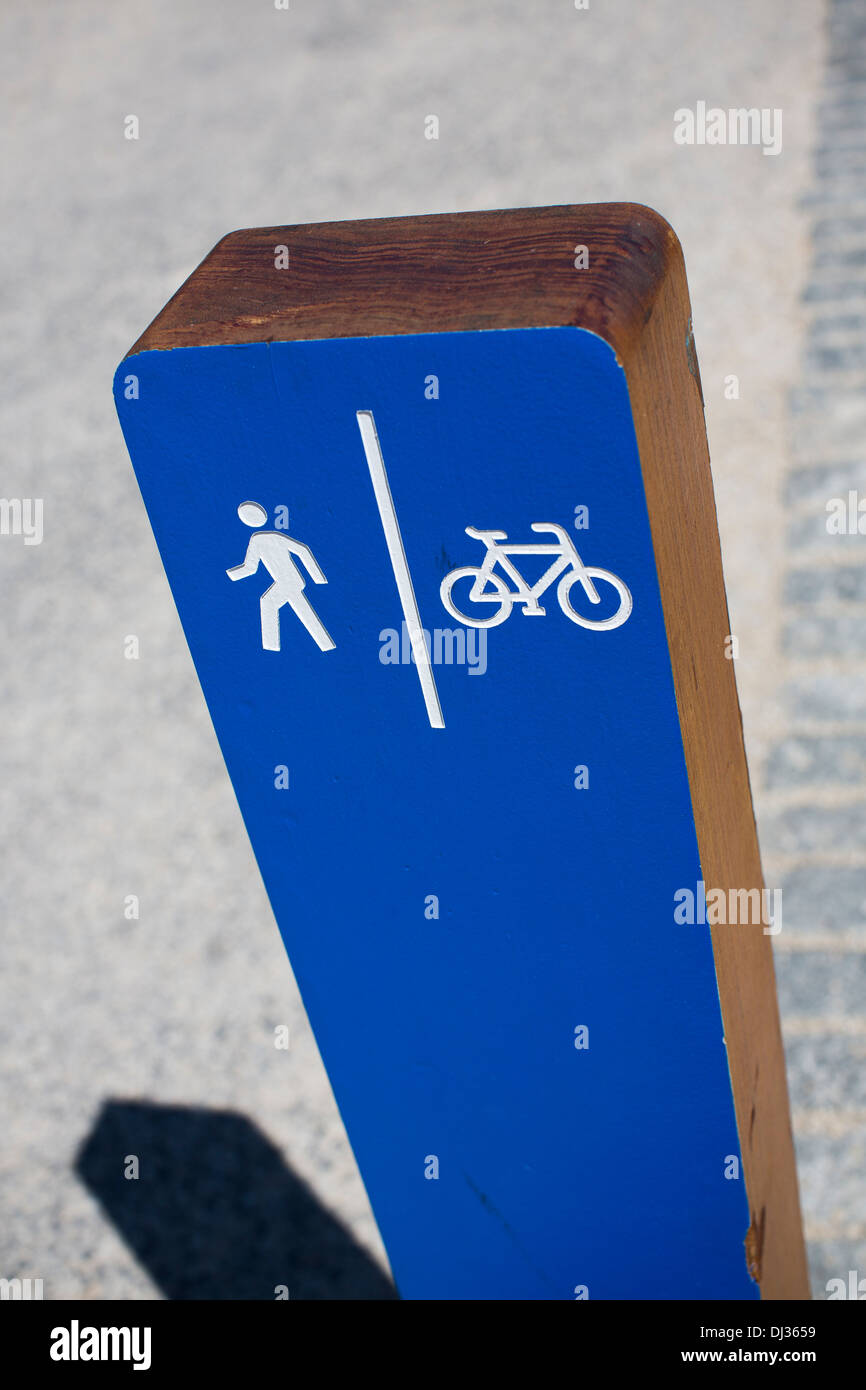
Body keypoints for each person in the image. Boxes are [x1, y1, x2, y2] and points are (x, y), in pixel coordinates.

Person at [226, 501, 336, 652]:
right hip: (290, 581)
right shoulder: (263, 539)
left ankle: (271, 647)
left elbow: (302, 550)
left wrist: (318, 578)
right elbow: (251, 568)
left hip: (289, 581)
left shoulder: (265, 538)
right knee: (301, 611)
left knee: (269, 603)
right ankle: (325, 644)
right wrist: (232, 575)